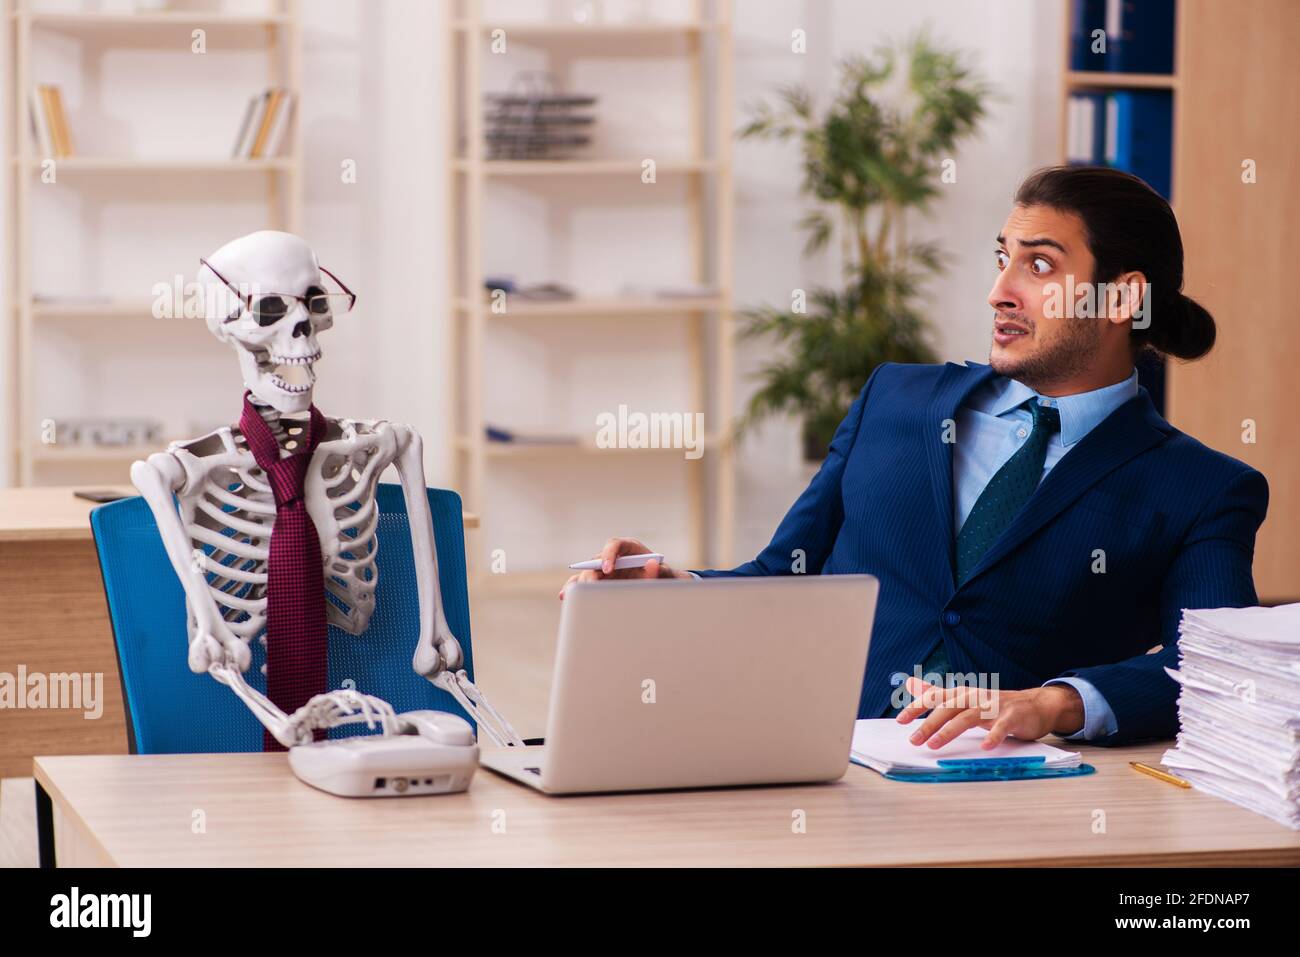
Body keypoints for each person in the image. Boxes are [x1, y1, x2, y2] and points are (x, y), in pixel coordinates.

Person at [560, 165, 1268, 750]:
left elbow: (1210, 673)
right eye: (1003, 258)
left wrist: (1052, 705)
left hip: (1021, 798)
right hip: (827, 766)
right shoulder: (895, 400)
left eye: (1039, 264)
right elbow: (786, 574)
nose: (1000, 291)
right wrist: (668, 588)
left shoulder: (1203, 488)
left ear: (1124, 296)